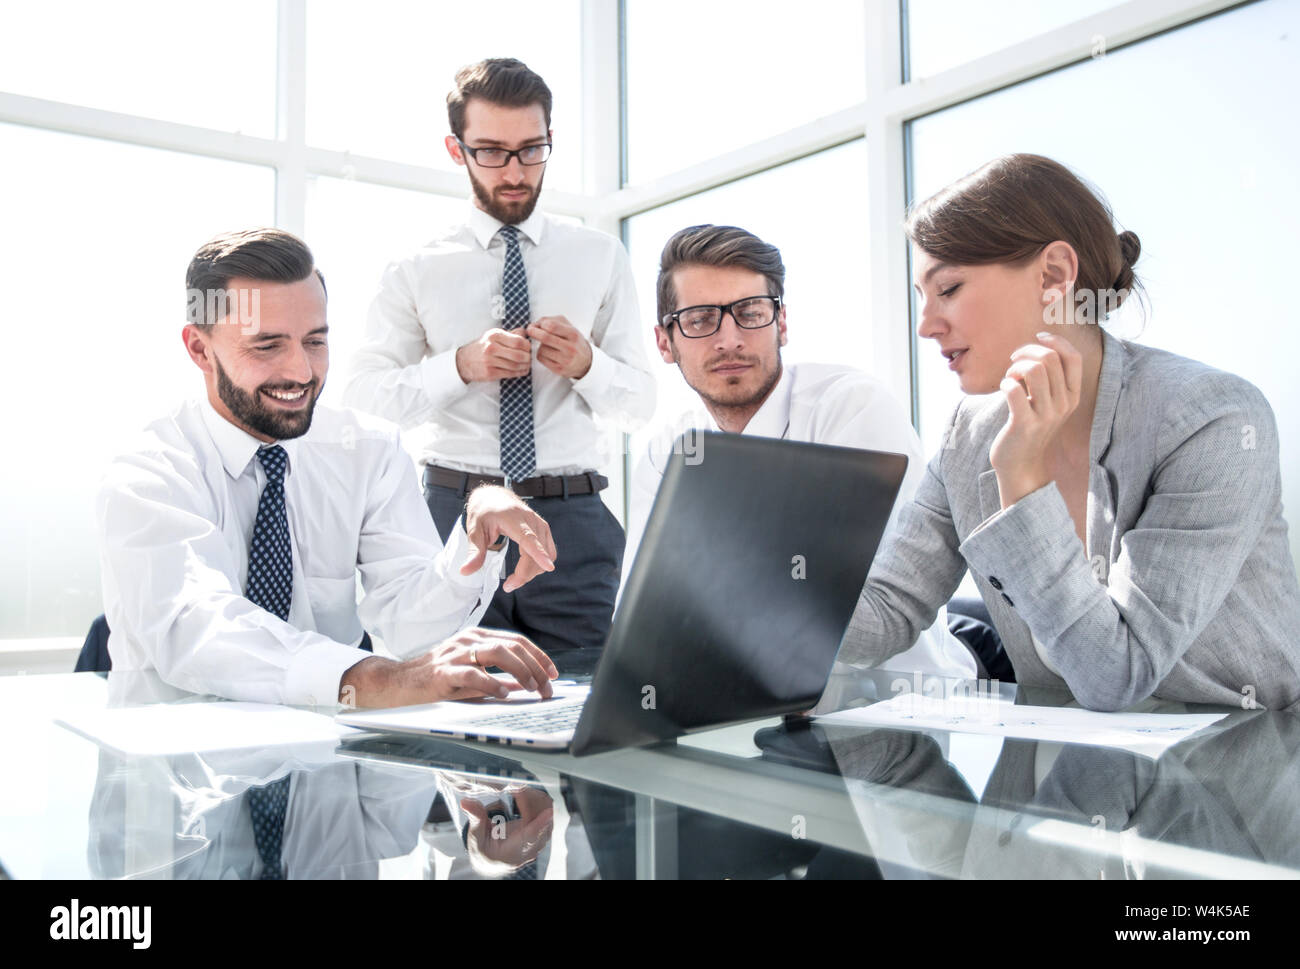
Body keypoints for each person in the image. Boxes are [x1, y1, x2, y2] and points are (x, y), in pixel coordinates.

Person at [840, 153, 1300, 711]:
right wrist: (748, 586)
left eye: (950, 288)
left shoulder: (1214, 418)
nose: (925, 325)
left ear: (1054, 276)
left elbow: (1118, 677)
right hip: (1063, 776)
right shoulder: (967, 436)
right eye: (921, 297)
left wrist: (1021, 481)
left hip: (1235, 772)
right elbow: (887, 611)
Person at [97, 228, 560, 709]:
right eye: (267, 346)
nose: (301, 372)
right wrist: (372, 681)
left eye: (315, 341)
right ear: (199, 350)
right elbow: (195, 626)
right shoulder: (150, 470)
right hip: (180, 758)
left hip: (321, 758)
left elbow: (409, 627)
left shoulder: (368, 451)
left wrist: (477, 528)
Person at [344, 58, 654, 657]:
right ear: (456, 150)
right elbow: (364, 398)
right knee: (451, 714)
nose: (514, 172)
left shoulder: (600, 256)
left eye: (530, 150)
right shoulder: (415, 268)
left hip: (575, 524)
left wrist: (588, 364)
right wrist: (459, 365)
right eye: (490, 151)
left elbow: (639, 405)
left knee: (585, 717)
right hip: (449, 517)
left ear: (549, 142)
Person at [627, 224, 976, 680]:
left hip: (890, 702)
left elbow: (874, 615)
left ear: (782, 323)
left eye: (750, 312)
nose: (729, 339)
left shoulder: (850, 410)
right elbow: (646, 616)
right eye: (699, 320)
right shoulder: (666, 451)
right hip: (737, 707)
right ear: (664, 343)